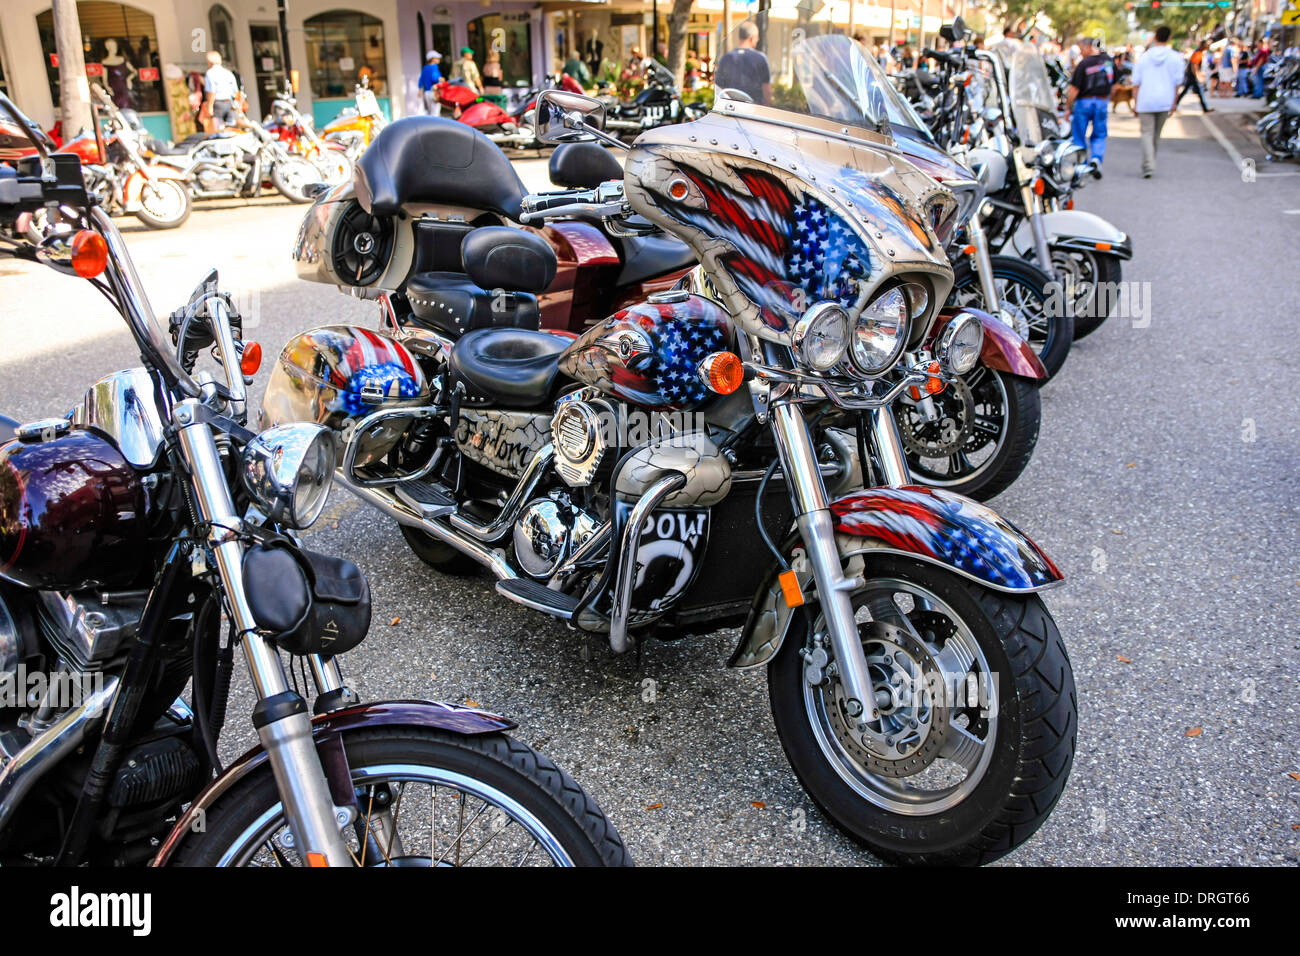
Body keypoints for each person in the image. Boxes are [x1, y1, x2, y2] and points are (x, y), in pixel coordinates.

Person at [1131, 25, 1185, 178]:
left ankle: (1148, 164)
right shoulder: (1175, 58)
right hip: (1164, 101)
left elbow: (1136, 83)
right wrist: (1174, 103)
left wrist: (1135, 103)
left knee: (1147, 133)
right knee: (1155, 135)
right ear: (1169, 38)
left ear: (1155, 36)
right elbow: (1177, 83)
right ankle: (1150, 163)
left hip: (1145, 101)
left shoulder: (1144, 57)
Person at [1066, 36, 1114, 164]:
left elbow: (1074, 89)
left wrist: (1068, 107)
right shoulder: (1108, 61)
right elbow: (1113, 83)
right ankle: (1096, 158)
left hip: (1084, 102)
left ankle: (1082, 162)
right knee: (1099, 133)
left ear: (1088, 47)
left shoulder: (1084, 63)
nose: (1081, 52)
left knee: (1079, 134)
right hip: (1102, 101)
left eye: (1081, 49)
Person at [713, 20, 771, 105]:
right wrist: (768, 109)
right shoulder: (760, 58)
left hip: (733, 110)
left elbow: (720, 88)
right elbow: (767, 90)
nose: (757, 40)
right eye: (757, 37)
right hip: (755, 111)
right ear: (752, 37)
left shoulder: (726, 58)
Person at [203, 50, 240, 130]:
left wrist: (209, 107)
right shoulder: (228, 73)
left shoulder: (210, 73)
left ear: (209, 62)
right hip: (229, 103)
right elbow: (236, 91)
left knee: (218, 129)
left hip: (218, 104)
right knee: (231, 128)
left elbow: (211, 92)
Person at [1175, 39, 1213, 112]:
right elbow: (1194, 66)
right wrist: (1197, 76)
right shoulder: (1197, 53)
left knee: (1189, 91)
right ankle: (1205, 108)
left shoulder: (1200, 53)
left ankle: (1205, 108)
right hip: (1192, 76)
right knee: (1198, 91)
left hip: (1192, 75)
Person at [418, 50, 442, 116]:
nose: (439, 59)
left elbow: (421, 79)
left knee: (430, 112)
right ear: (433, 59)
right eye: (437, 58)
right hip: (434, 92)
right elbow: (434, 77)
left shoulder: (425, 68)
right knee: (436, 112)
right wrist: (440, 79)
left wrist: (420, 89)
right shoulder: (434, 67)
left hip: (426, 92)